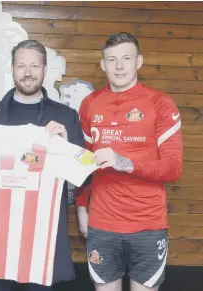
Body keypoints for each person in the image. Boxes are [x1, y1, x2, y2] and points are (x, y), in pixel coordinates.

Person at [0, 40, 87, 291]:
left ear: (44, 69)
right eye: (21, 66)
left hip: (43, 238)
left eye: (34, 65)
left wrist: (68, 149)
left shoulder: (66, 116)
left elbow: (84, 175)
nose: (27, 72)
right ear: (12, 69)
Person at [76, 32, 183, 291]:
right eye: (112, 59)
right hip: (102, 223)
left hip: (147, 225)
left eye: (126, 58)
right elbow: (85, 163)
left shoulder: (161, 103)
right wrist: (81, 208)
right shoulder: (89, 104)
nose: (119, 66)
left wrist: (125, 162)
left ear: (139, 61)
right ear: (103, 64)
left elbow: (173, 168)